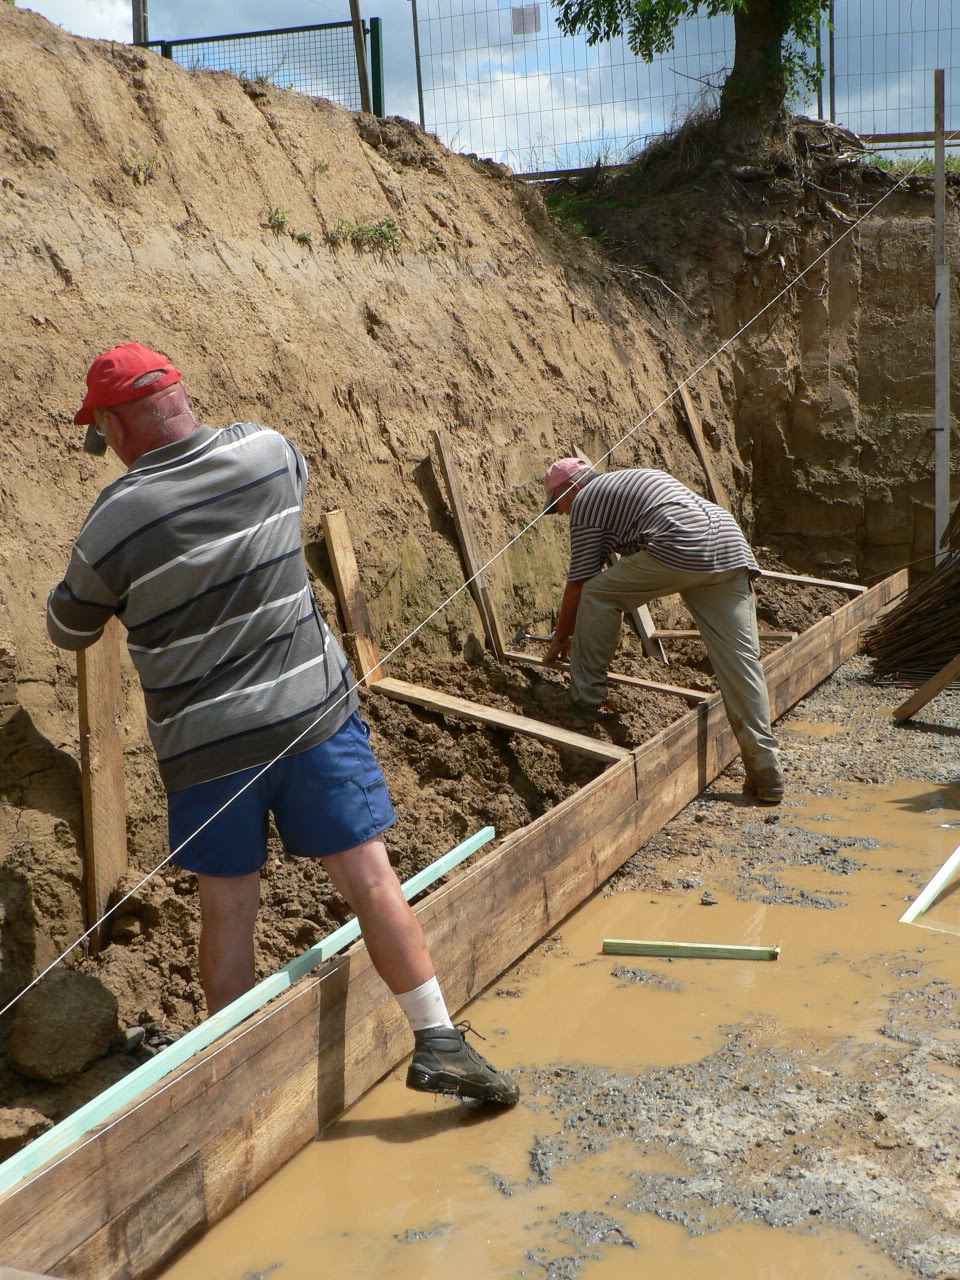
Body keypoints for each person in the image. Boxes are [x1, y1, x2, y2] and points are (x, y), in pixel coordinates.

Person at [47, 341, 519, 1105]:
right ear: (180, 397)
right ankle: (438, 1042)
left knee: (226, 910)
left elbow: (69, 628)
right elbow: (283, 494)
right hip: (313, 718)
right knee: (370, 877)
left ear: (115, 425)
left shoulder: (117, 517)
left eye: (103, 434)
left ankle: (238, 1090)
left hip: (205, 748)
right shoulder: (267, 452)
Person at [541, 456, 783, 804]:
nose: (561, 513)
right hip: (729, 545)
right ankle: (766, 773)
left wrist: (562, 637)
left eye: (557, 504)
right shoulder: (629, 482)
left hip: (681, 545)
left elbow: (579, 583)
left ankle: (584, 699)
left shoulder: (586, 500)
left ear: (570, 487)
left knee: (598, 594)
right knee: (741, 666)